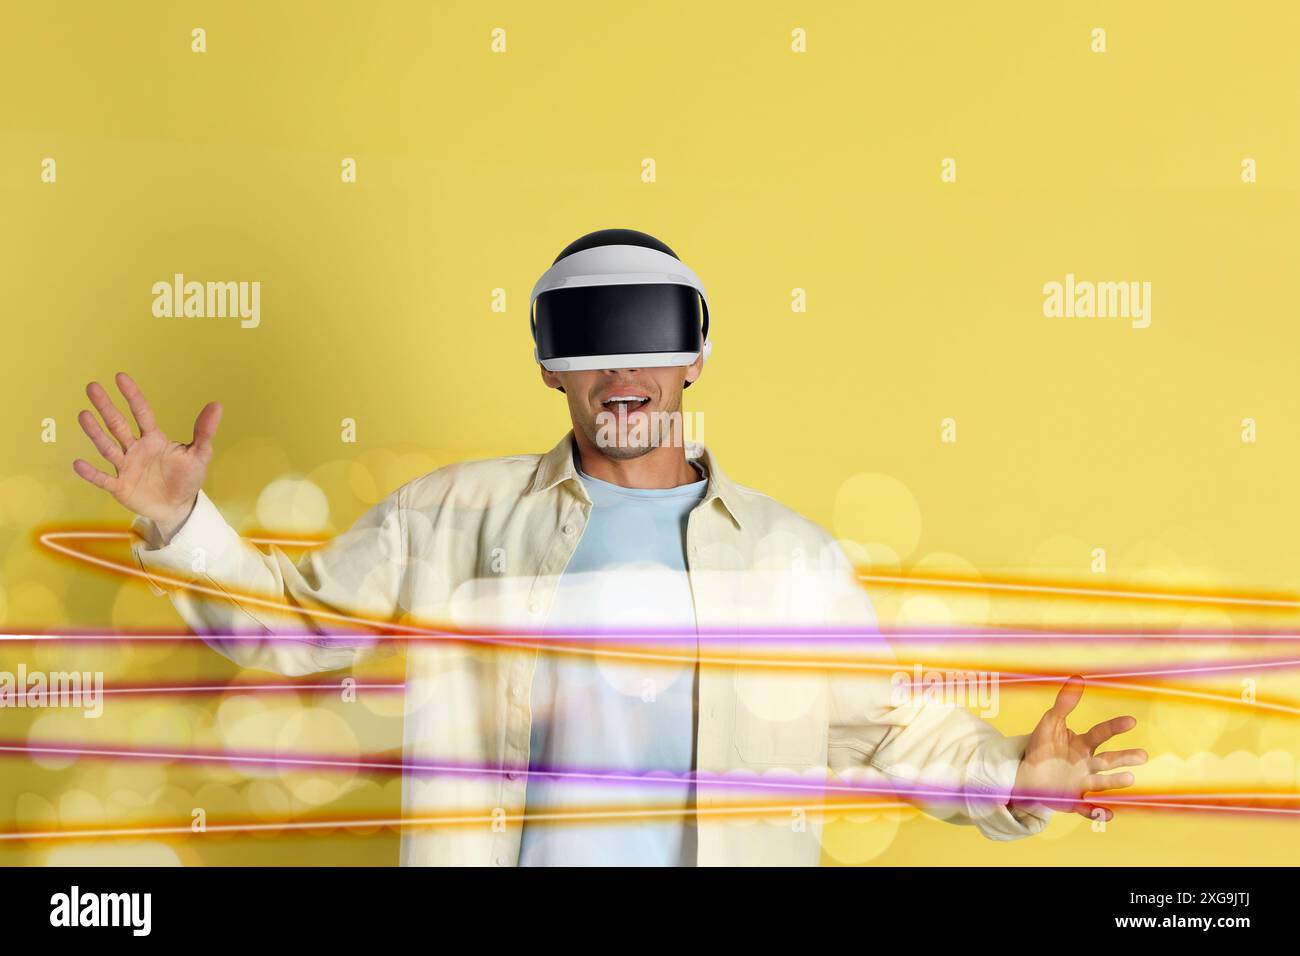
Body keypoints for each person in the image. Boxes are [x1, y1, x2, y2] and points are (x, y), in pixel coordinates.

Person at [72, 228, 1146, 866]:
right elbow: (296, 634)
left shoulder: (789, 558)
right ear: (549, 364)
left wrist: (1016, 773)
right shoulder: (450, 519)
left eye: (648, 336)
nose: (620, 368)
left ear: (693, 360)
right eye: (588, 339)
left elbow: (881, 731)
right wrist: (181, 523)